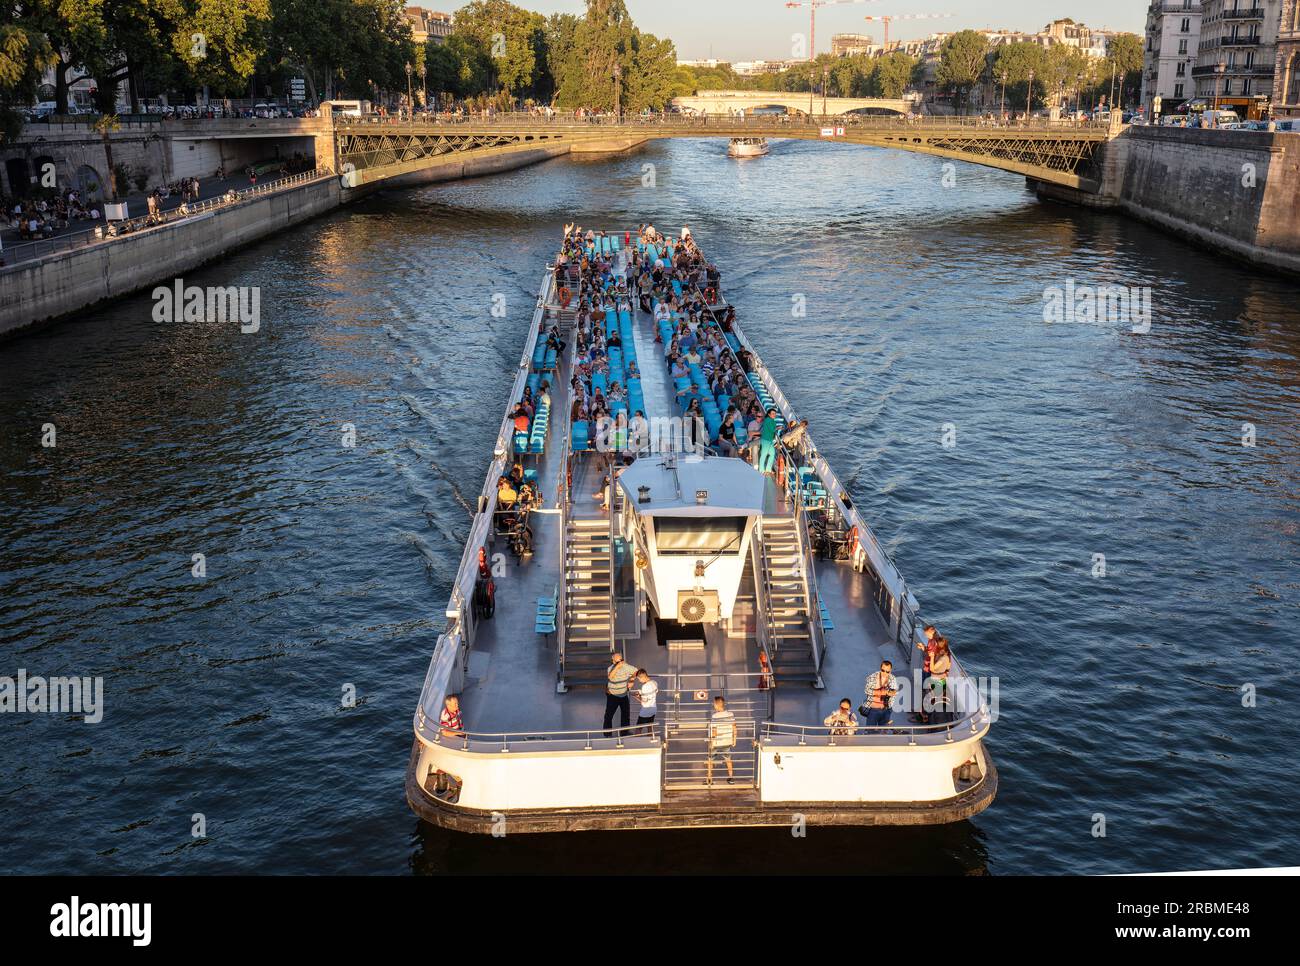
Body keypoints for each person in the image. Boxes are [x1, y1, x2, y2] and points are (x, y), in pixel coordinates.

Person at [434, 694, 465, 801]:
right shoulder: (445, 716)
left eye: (457, 703)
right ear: (448, 705)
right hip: (453, 739)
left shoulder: (455, 710)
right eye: (455, 703)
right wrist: (458, 733)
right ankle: (458, 783)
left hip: (459, 736)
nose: (457, 705)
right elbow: (445, 732)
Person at [603, 652, 637, 737]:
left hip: (624, 695)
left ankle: (624, 733)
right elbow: (610, 677)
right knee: (609, 715)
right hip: (613, 696)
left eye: (621, 660)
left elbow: (636, 671)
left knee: (625, 715)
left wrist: (632, 679)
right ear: (613, 661)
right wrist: (618, 666)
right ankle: (607, 734)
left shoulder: (626, 666)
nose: (621, 662)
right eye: (618, 661)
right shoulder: (610, 668)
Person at [707, 695, 737, 785]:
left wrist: (711, 742)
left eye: (714, 704)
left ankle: (709, 778)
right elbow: (734, 727)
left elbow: (714, 730)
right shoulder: (730, 714)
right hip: (727, 741)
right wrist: (734, 740)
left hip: (717, 742)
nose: (713, 706)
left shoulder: (715, 716)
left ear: (717, 705)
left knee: (710, 759)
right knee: (728, 759)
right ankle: (731, 778)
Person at [862, 660, 899, 730]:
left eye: (887, 671)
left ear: (890, 671)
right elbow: (866, 690)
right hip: (873, 709)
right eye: (883, 670)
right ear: (880, 668)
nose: (885, 673)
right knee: (870, 731)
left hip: (886, 710)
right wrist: (883, 692)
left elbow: (895, 691)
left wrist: (892, 693)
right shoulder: (873, 677)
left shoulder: (892, 678)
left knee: (883, 733)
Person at [914, 624, 938, 723]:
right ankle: (922, 712)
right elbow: (928, 653)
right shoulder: (930, 641)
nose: (925, 634)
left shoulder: (935, 643)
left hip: (929, 670)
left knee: (927, 692)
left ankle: (924, 714)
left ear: (932, 632)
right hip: (926, 668)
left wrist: (924, 649)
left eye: (926, 633)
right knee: (924, 690)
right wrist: (923, 647)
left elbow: (932, 656)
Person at [928, 637, 953, 724]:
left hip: (936, 679)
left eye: (936, 644)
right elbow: (948, 668)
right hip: (942, 679)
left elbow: (932, 669)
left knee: (934, 699)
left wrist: (932, 657)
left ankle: (934, 720)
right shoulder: (948, 655)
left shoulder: (943, 658)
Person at [632, 668, 658, 736]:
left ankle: (637, 744)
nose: (639, 681)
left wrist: (637, 697)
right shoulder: (654, 682)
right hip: (653, 708)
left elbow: (644, 701)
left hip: (645, 710)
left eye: (639, 679)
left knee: (638, 728)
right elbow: (654, 693)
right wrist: (641, 692)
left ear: (643, 677)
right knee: (650, 726)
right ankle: (650, 741)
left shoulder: (645, 686)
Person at [757, 408, 780, 474]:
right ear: (769, 414)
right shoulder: (767, 420)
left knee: (772, 454)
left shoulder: (772, 420)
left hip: (770, 440)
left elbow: (773, 429)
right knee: (763, 454)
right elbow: (772, 430)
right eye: (772, 413)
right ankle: (761, 470)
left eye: (775, 413)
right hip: (766, 440)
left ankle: (768, 469)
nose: (774, 415)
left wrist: (777, 428)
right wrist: (778, 428)